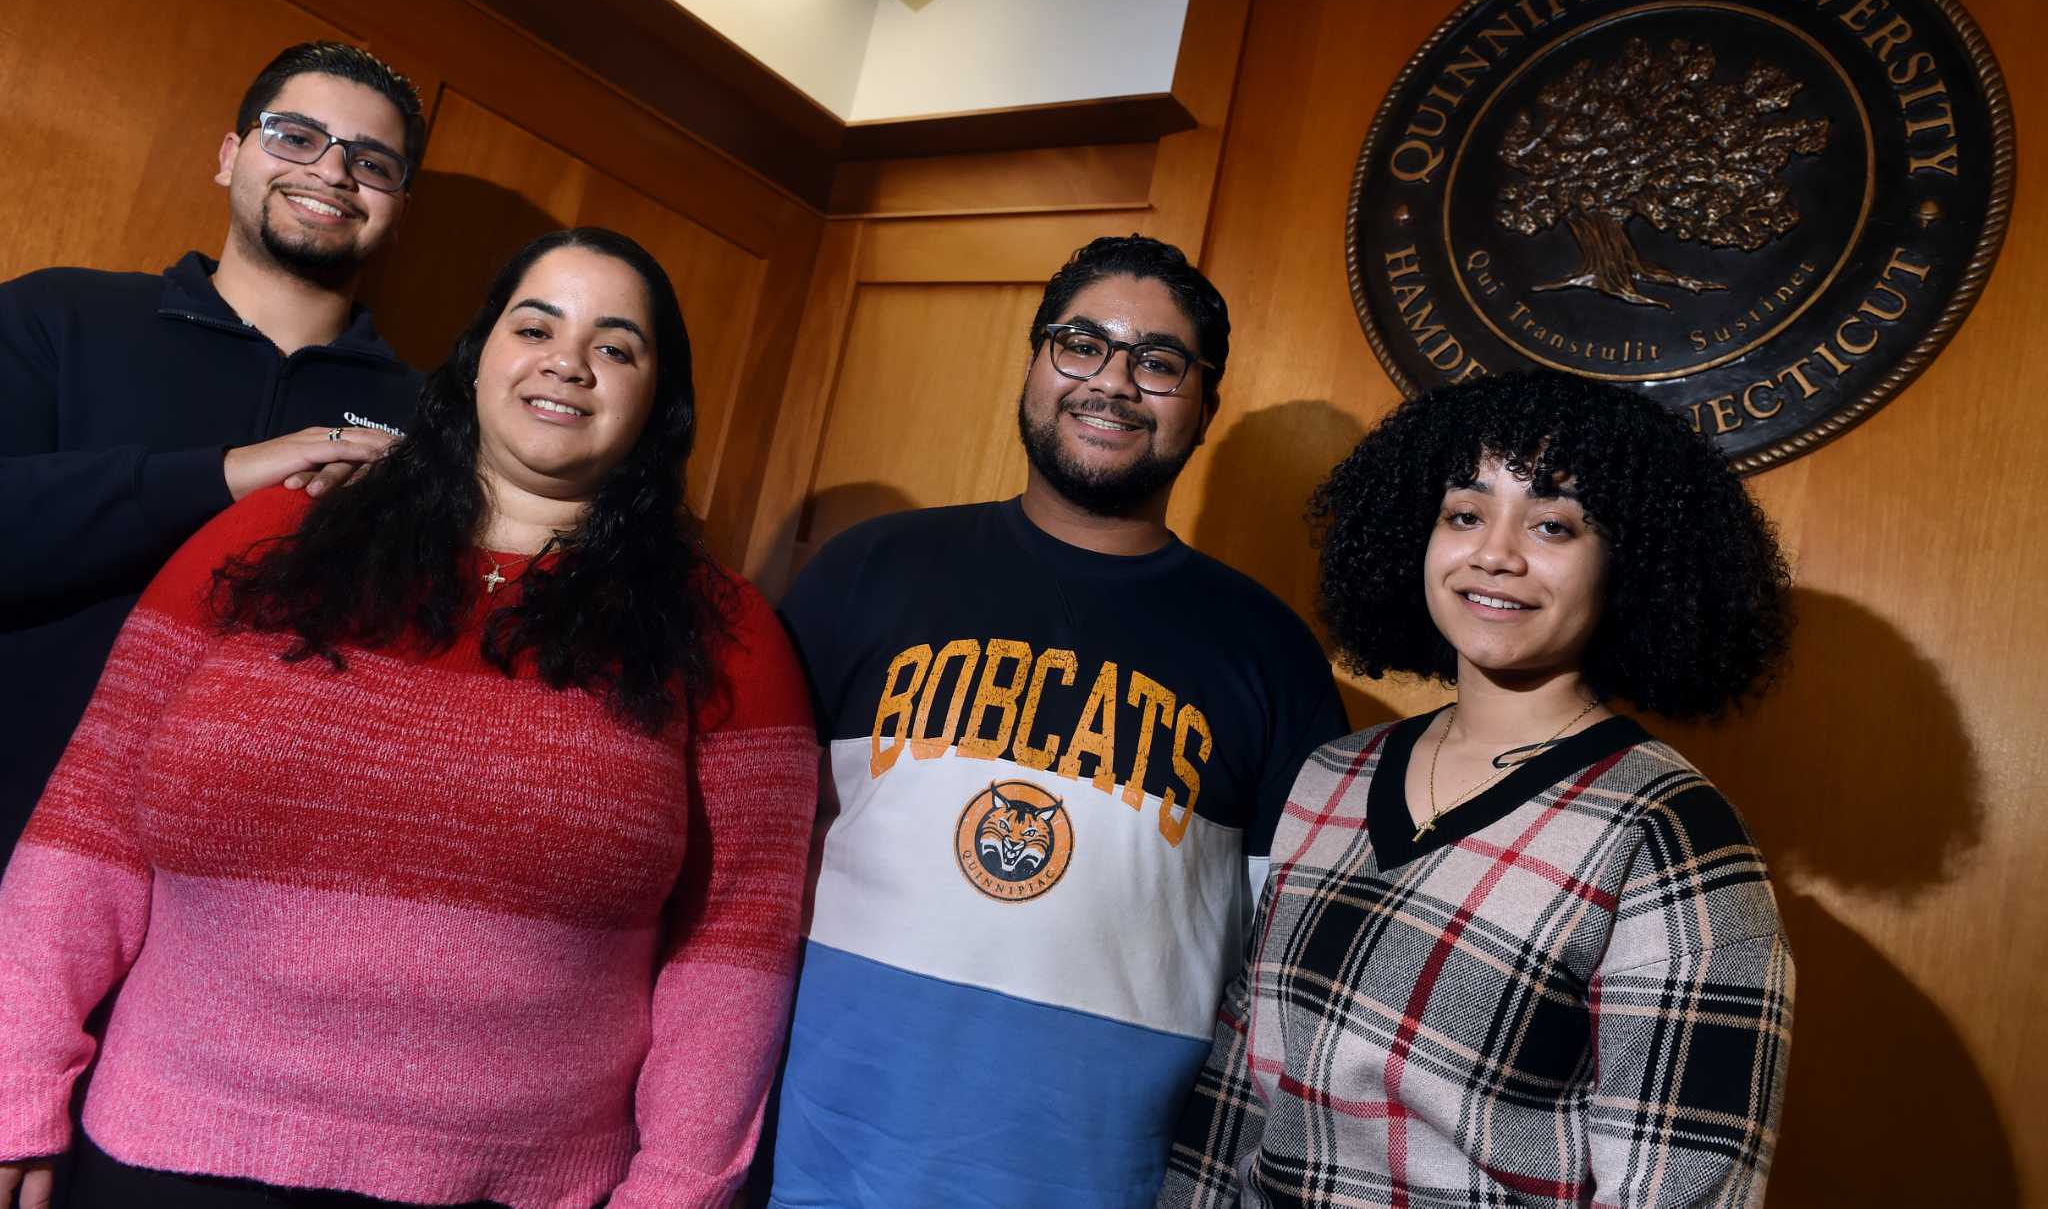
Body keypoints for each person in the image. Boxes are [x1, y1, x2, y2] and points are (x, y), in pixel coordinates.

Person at [0, 228, 817, 1209]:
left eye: (616, 345)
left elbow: (735, 947)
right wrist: (14, 1082)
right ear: (476, 362)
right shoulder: (268, 539)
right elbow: (89, 821)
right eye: (536, 325)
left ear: (656, 402)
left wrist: (679, 1191)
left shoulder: (721, 630)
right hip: (160, 1157)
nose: (568, 360)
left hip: (513, 1187)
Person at [761, 235, 1350, 1207]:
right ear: (1034, 361)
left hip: (1092, 1182)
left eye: (1157, 363)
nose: (1111, 382)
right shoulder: (866, 572)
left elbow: (1282, 980)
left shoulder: (1270, 654)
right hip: (806, 1165)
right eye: (1079, 344)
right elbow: (740, 866)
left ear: (1204, 407)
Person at [1160, 369, 1796, 1208]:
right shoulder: (1331, 777)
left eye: (1554, 525)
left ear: (1628, 566)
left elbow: (1685, 1188)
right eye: (1465, 513)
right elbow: (1236, 1089)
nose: (1494, 552)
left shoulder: (1671, 834)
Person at [0, 40, 428, 853]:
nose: (333, 173)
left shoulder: (432, 423)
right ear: (231, 157)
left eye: (371, 162)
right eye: (295, 137)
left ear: (397, 208)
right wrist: (223, 476)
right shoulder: (60, 315)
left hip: (242, 903)